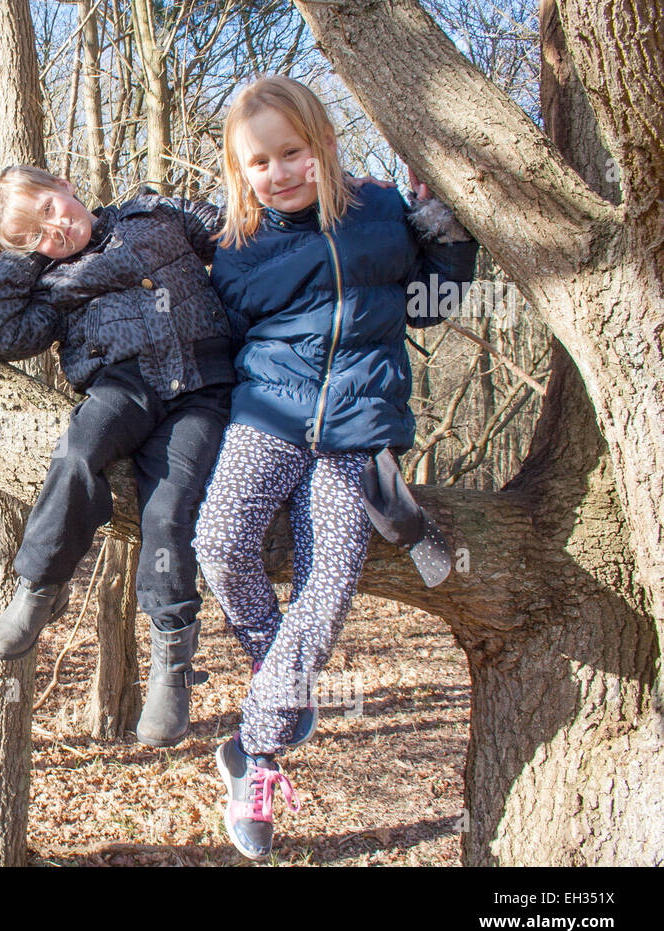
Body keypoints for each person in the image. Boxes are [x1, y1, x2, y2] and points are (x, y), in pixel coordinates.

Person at [193, 75, 478, 860]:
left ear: (323, 144)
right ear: (238, 172)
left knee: (330, 579)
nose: (279, 173)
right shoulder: (237, 247)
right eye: (259, 163)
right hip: (267, 420)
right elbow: (216, 341)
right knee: (219, 545)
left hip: (356, 431)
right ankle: (277, 674)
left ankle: (257, 754)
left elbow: (432, 304)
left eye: (294, 153)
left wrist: (447, 229)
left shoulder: (381, 214)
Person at [0, 164, 239, 747]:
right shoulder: (54, 282)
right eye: (35, 235)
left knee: (169, 512)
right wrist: (23, 257)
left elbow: (237, 230)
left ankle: (172, 661)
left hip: (203, 387)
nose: (55, 231)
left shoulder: (155, 213)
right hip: (123, 386)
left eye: (49, 210)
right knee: (75, 455)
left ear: (65, 185)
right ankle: (40, 587)